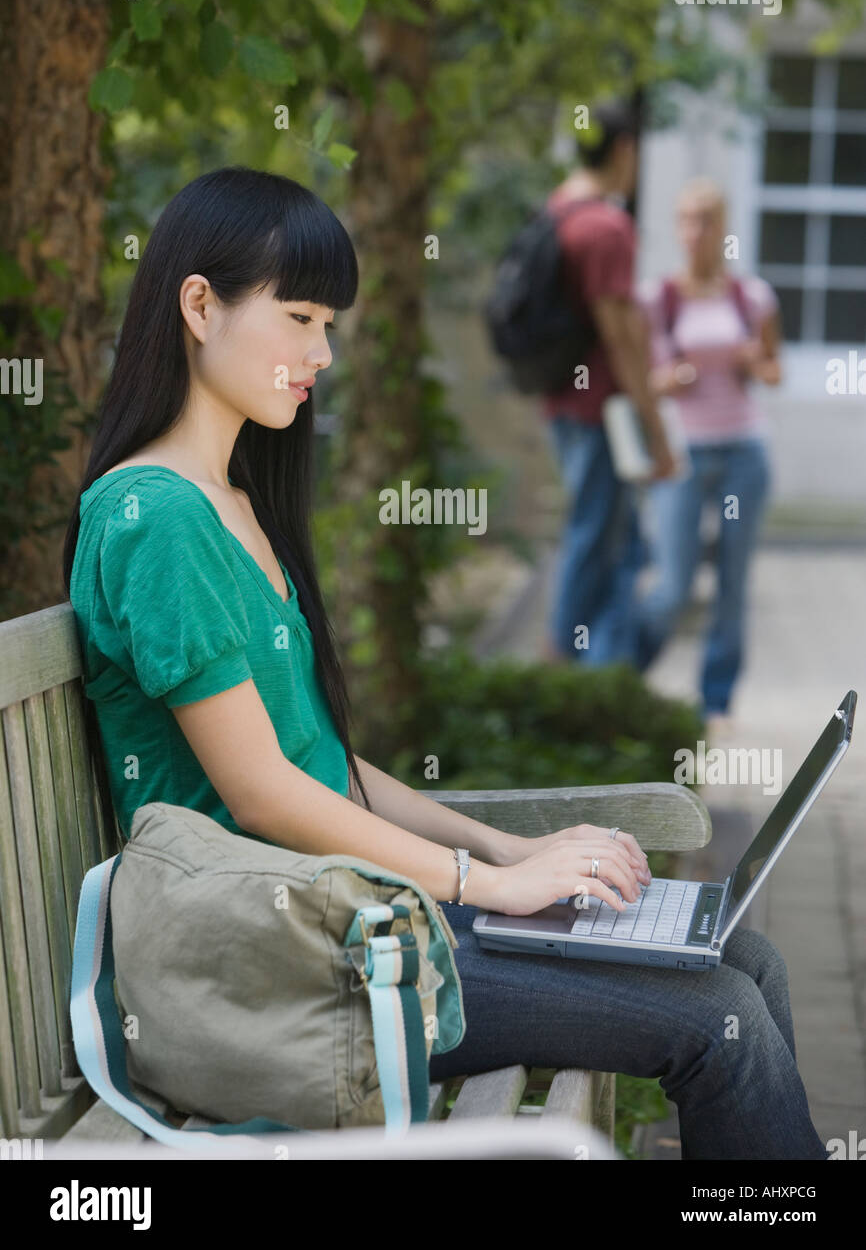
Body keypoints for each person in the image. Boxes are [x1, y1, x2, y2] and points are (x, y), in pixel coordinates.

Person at [64, 166, 825, 1160]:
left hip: (354, 917)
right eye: (298, 317)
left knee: (745, 958)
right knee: (718, 1019)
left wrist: (512, 856)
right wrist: (482, 880)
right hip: (280, 957)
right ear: (199, 305)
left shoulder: (230, 502)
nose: (321, 352)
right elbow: (260, 795)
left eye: (327, 323)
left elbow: (321, 766)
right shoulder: (154, 515)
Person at [633, 178, 782, 727]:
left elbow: (774, 370)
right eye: (687, 220)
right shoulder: (657, 299)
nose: (696, 231)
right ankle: (625, 675)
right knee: (673, 585)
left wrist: (750, 361)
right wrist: (669, 378)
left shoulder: (753, 296)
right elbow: (643, 380)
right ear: (678, 229)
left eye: (707, 220)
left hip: (744, 450)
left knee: (732, 584)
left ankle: (716, 701)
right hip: (685, 452)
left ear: (723, 228)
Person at [541, 100, 676, 667]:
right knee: (595, 539)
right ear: (624, 149)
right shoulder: (607, 226)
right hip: (604, 415)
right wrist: (658, 432)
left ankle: (604, 672)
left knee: (618, 547)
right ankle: (558, 671)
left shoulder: (557, 210)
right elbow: (621, 340)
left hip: (560, 406)